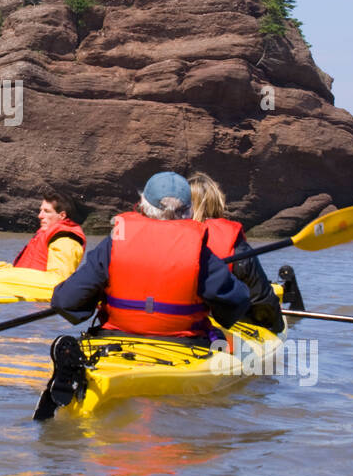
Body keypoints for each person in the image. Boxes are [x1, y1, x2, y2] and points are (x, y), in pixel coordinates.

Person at [36, 171, 252, 419]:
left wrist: (97, 301)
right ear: (188, 212)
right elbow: (237, 304)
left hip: (110, 345)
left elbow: (65, 301)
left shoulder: (116, 241)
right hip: (182, 350)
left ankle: (73, 375)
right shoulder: (198, 250)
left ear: (142, 206)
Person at [188, 172, 284, 333]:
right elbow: (262, 301)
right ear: (218, 201)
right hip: (224, 329)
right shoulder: (237, 247)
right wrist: (277, 327)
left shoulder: (169, 241)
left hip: (172, 327)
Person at [0, 191, 86, 284]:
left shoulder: (65, 240)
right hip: (29, 298)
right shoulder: (45, 235)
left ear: (62, 215)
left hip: (42, 304)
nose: (40, 216)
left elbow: (58, 281)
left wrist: (5, 277)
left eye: (46, 211)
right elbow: (22, 271)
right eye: (40, 210)